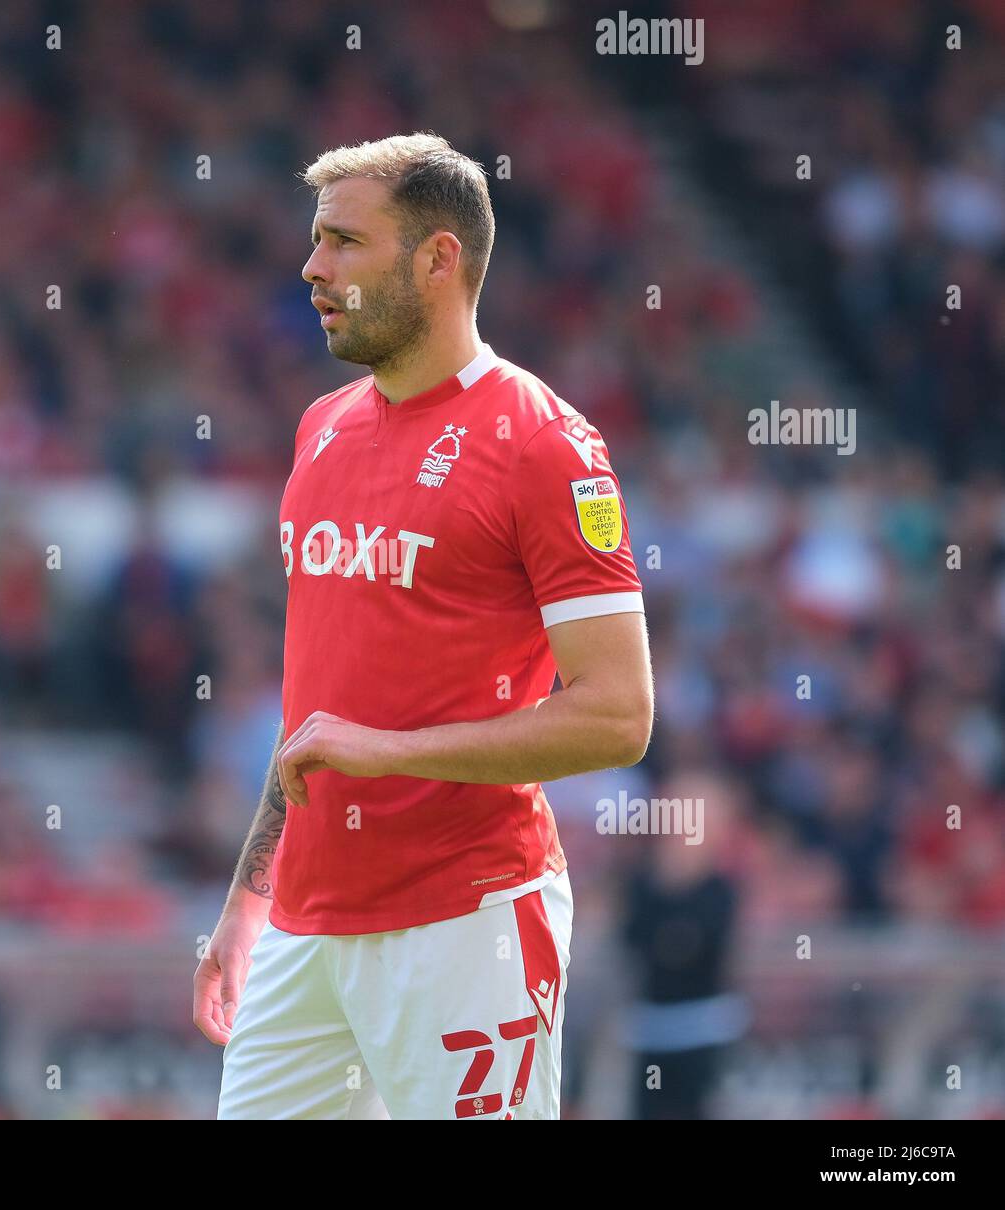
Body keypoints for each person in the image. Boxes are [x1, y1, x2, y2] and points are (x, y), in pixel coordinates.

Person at [194, 132, 654, 1119]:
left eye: (344, 242)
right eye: (315, 241)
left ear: (439, 259)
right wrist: (248, 896)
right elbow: (314, 715)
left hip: (465, 921)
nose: (311, 267)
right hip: (304, 929)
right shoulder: (319, 429)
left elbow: (619, 716)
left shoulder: (544, 445)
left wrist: (388, 751)